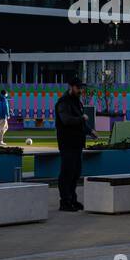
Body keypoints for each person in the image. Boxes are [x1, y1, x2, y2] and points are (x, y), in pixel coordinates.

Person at [54, 77, 96, 211]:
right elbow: (66, 120)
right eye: (78, 88)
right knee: (67, 172)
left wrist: (90, 131)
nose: (81, 90)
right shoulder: (63, 102)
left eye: (81, 88)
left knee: (76, 172)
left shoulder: (77, 102)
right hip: (67, 142)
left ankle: (72, 199)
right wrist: (81, 118)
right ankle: (64, 201)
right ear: (70, 86)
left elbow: (81, 123)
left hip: (77, 142)